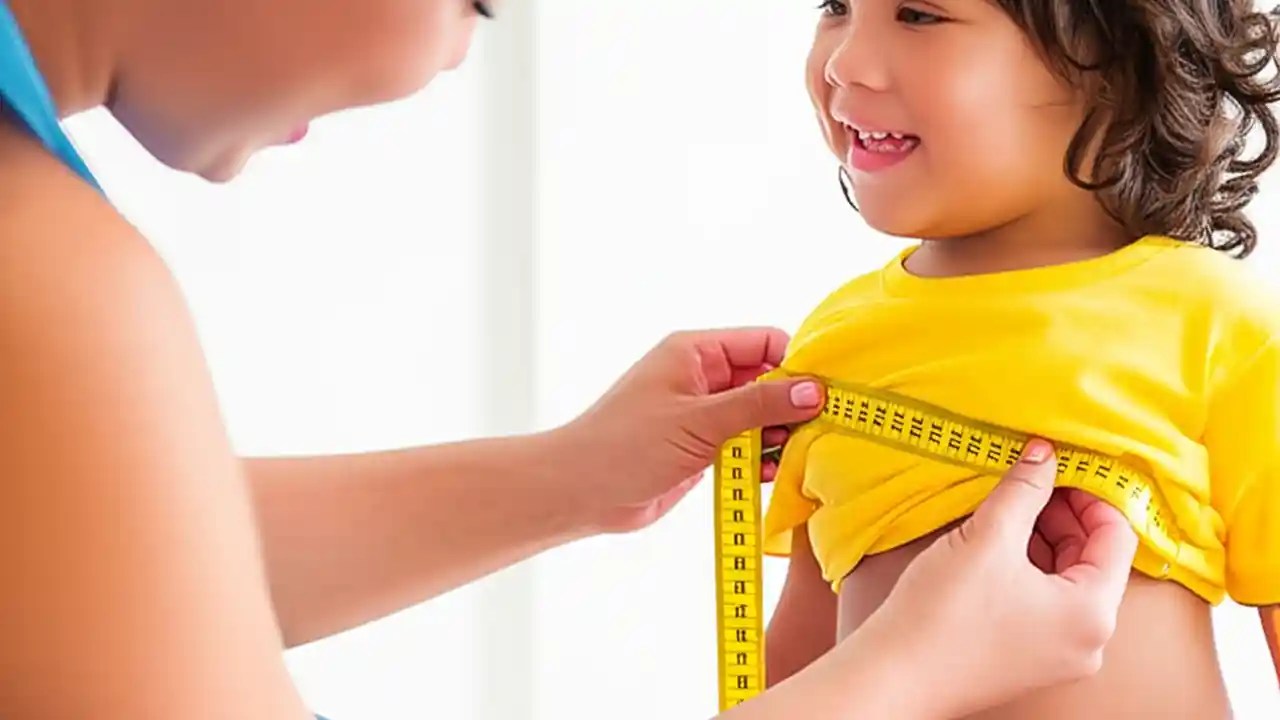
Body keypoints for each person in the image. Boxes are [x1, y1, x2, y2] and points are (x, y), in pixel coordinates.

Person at [0, 0, 1137, 717]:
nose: (450, 57)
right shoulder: (43, 269)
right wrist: (901, 678)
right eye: (479, 3)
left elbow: (104, 562)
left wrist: (573, 475)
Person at [762, 0, 1280, 717]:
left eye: (918, 15)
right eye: (836, 8)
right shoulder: (837, 336)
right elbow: (808, 651)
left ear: (1116, 56)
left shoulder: (1214, 320)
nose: (845, 63)